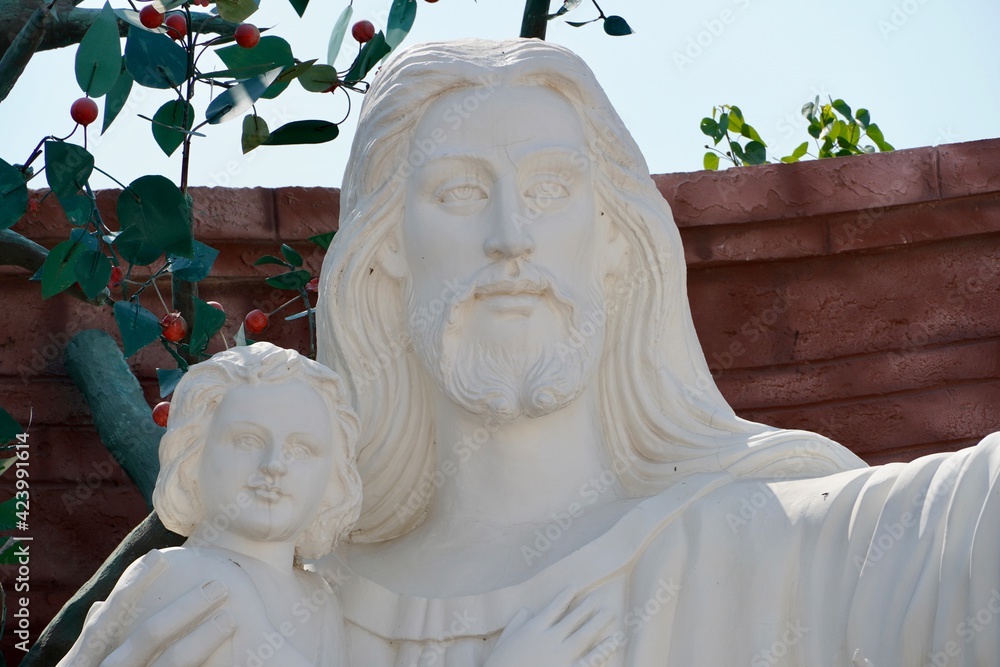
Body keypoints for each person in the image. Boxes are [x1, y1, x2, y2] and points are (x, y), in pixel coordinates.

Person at [63, 39, 1000, 666]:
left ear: (616, 241)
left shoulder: (801, 546)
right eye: (462, 196)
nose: (511, 237)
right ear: (386, 255)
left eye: (552, 190)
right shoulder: (256, 614)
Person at [59, 343, 364, 666]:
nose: (274, 464)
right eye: (248, 440)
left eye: (301, 449)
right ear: (194, 454)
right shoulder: (187, 573)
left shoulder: (320, 598)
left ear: (333, 475)